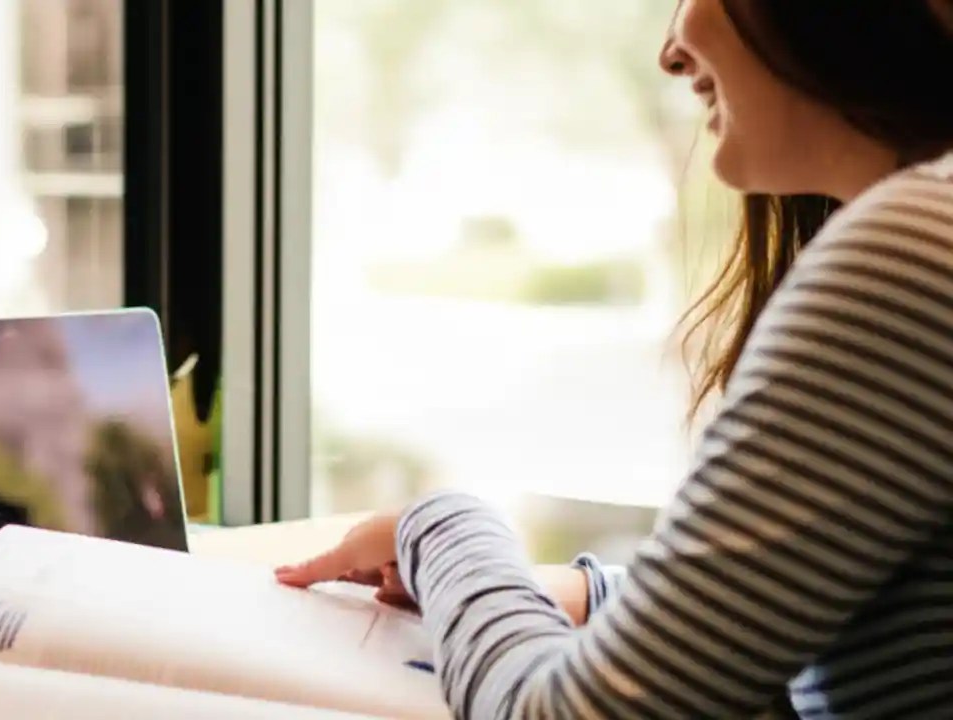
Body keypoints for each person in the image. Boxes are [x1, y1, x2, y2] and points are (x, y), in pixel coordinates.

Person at [276, 1, 953, 717]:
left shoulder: (914, 252)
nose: (671, 49)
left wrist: (442, 527)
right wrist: (584, 593)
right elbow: (797, 588)